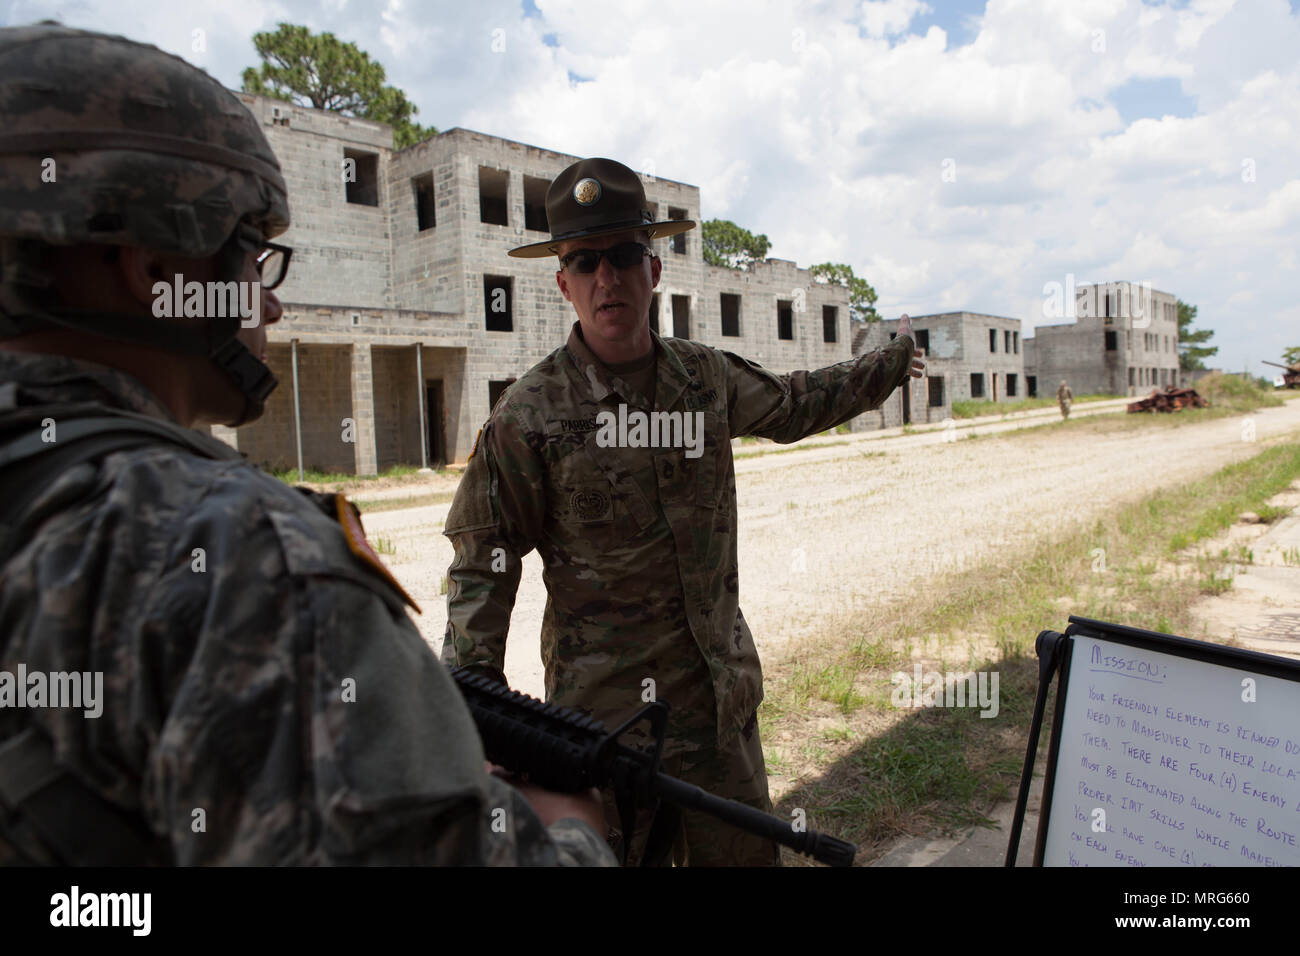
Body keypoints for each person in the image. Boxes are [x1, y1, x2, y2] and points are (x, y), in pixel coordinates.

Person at [0, 23, 613, 866]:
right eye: (254, 258)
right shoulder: (241, 561)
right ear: (155, 268)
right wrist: (570, 828)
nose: (273, 306)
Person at [442, 158, 924, 865]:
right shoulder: (530, 415)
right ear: (563, 284)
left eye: (624, 255)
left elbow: (796, 403)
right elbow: (483, 564)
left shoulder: (706, 380)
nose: (607, 278)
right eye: (585, 262)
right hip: (602, 732)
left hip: (717, 715)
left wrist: (887, 363)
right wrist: (480, 719)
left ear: (654, 267)